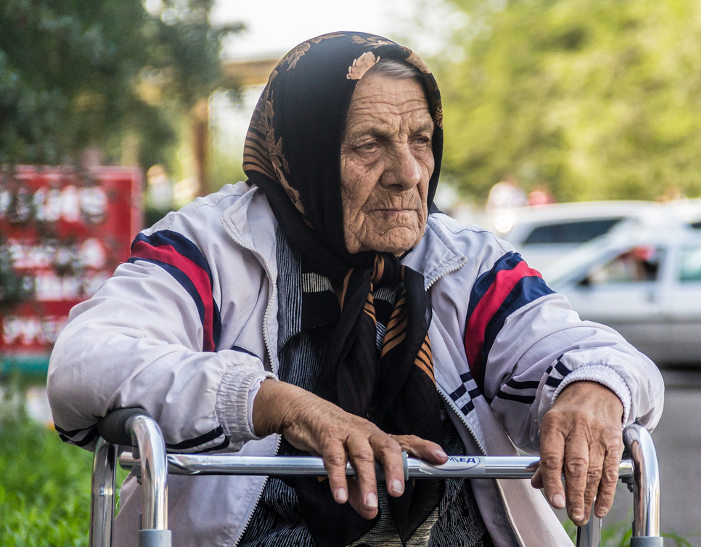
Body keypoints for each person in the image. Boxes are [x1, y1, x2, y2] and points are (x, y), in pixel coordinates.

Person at [47, 32, 664, 547]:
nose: (409, 174)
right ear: (304, 151)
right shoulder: (210, 246)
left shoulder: (464, 262)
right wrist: (281, 404)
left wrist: (592, 387)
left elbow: (583, 348)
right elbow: (86, 364)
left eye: (420, 139)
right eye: (370, 145)